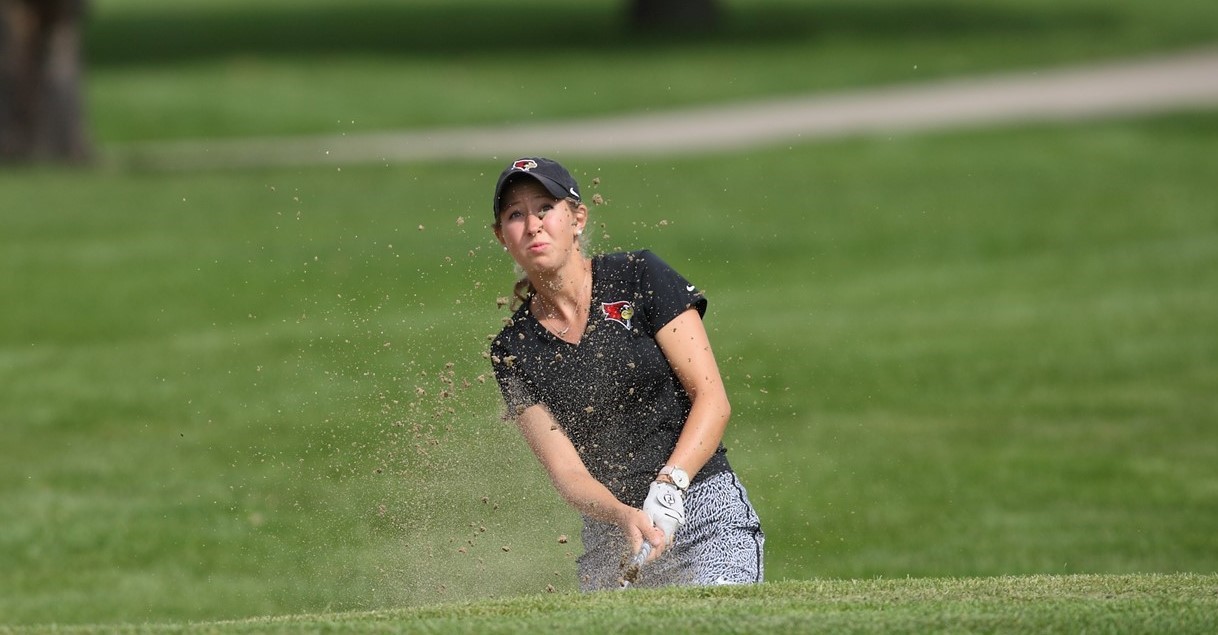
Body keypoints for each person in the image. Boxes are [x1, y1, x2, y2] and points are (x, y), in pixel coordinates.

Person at [487, 157, 764, 590]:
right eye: (515, 215)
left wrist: (670, 486)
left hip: (703, 510)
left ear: (577, 218)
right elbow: (568, 474)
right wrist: (623, 514)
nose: (533, 225)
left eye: (545, 208)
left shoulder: (639, 276)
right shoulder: (513, 350)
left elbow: (712, 398)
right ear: (503, 237)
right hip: (612, 536)